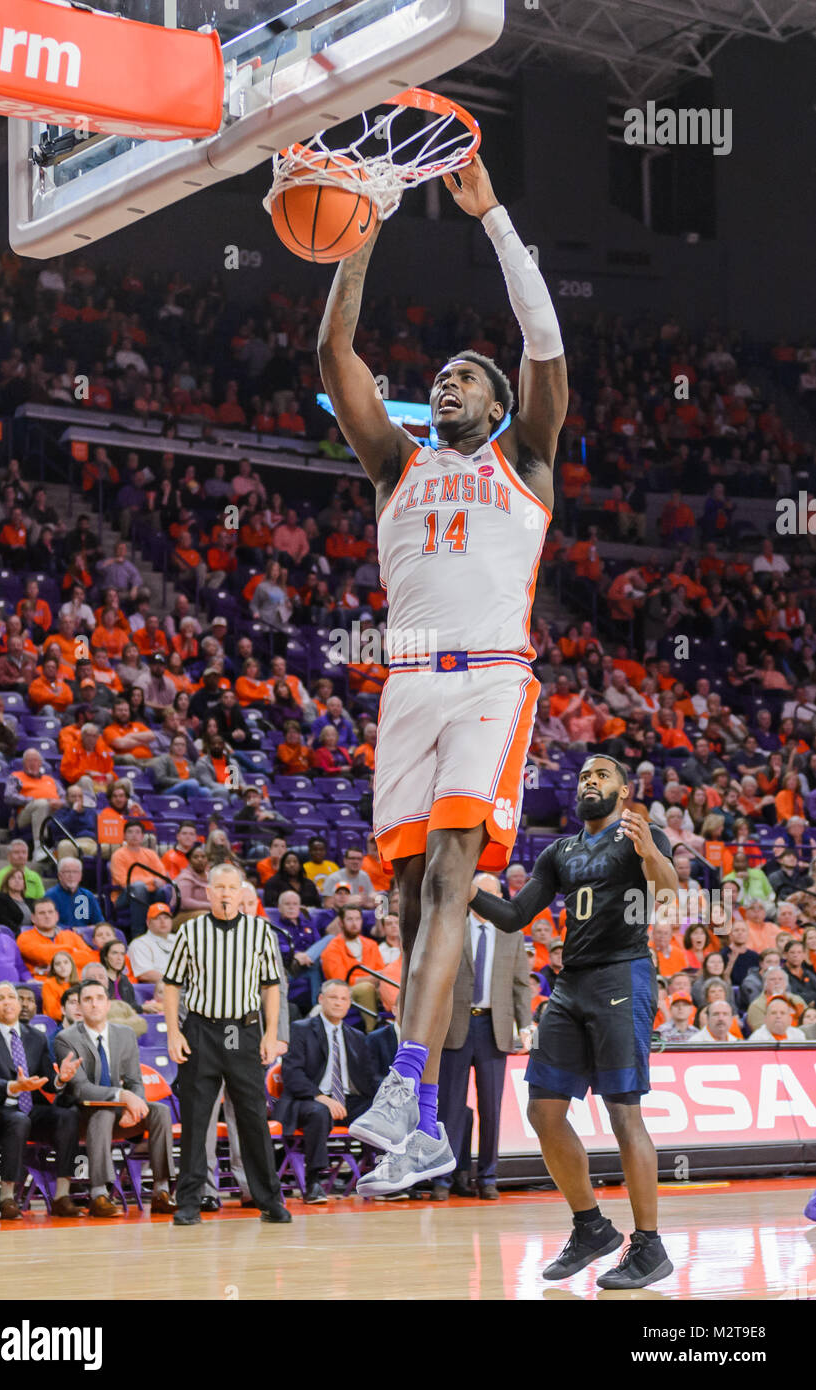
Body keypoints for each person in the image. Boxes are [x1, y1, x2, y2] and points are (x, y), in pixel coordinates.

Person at [319, 153, 567, 1191]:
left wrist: (495, 220)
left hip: (489, 680)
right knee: (418, 900)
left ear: (500, 402)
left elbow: (546, 343)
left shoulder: (529, 459)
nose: (444, 382)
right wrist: (361, 227)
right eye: (438, 377)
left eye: (464, 374)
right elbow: (335, 349)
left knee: (460, 870)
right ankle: (417, 1118)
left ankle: (407, 1077)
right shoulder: (396, 464)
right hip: (407, 686)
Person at [459, 755, 678, 1289]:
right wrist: (469, 891)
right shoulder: (560, 851)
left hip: (622, 977)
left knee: (624, 1115)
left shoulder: (641, 836)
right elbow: (513, 917)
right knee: (543, 1110)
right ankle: (590, 1227)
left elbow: (669, 893)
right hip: (570, 983)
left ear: (624, 791)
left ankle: (649, 1246)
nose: (589, 782)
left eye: (601, 776)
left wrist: (651, 852)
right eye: (583, 776)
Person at [164, 863, 290, 1225]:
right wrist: (174, 1032)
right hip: (201, 1029)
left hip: (245, 1031)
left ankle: (269, 1198)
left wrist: (270, 1034)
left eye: (230, 888)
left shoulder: (260, 932)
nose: (223, 893)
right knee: (195, 1120)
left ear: (241, 893)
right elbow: (172, 984)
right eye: (217, 887)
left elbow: (271, 985)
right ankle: (189, 1200)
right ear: (207, 892)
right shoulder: (190, 931)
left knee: (253, 1118)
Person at [431, 872, 532, 1201]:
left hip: (494, 1029)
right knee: (449, 1109)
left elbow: (520, 984)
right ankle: (442, 1178)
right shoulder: (451, 925)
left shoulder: (511, 932)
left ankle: (487, 1176)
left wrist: (526, 1025)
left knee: (492, 1109)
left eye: (495, 895)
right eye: (482, 894)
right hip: (455, 1026)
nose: (489, 901)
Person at [54, 979, 176, 1218]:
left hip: (122, 1115)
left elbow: (135, 1081)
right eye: (87, 999)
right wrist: (123, 1096)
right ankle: (99, 1194)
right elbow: (80, 1088)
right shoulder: (66, 1038)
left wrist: (135, 1107)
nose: (94, 1004)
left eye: (99, 998)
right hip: (83, 1116)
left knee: (160, 1111)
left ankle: (162, 1191)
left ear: (108, 1003)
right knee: (103, 1113)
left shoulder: (125, 1034)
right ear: (78, 1006)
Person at [0, 980, 83, 1219]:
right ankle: (7, 1197)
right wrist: (13, 1086)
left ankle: (62, 1195)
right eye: (0, 999)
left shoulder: (36, 1038)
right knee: (18, 1120)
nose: (7, 1001)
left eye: (11, 997)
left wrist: (61, 1079)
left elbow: (47, 1080)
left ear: (20, 1005)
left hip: (30, 1109)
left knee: (68, 1116)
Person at [276, 979, 376, 1203]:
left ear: (350, 1004)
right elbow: (292, 1074)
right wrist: (321, 1097)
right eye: (333, 998)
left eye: (344, 999)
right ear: (321, 1000)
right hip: (308, 1098)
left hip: (346, 1100)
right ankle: (314, 1182)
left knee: (380, 1112)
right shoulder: (300, 1029)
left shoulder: (357, 1036)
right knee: (319, 1112)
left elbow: (368, 1078)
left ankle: (380, 1173)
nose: (339, 1003)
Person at [320, 905, 385, 1032]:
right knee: (365, 988)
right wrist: (370, 978)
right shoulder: (332, 949)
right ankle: (371, 1031)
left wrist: (375, 979)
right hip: (344, 991)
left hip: (374, 986)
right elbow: (340, 981)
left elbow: (381, 972)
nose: (354, 923)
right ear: (341, 923)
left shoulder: (371, 944)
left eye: (357, 919)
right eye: (349, 919)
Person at [109, 820, 172, 938]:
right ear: (124, 836)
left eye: (137, 832)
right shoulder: (118, 855)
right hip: (124, 896)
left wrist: (153, 883)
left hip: (150, 893)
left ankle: (162, 933)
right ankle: (138, 935)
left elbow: (162, 876)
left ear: (143, 836)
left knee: (165, 890)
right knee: (138, 888)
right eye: (130, 832)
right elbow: (124, 882)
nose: (134, 835)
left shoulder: (151, 854)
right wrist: (152, 881)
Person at [45, 856, 103, 929]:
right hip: (61, 937)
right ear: (60, 875)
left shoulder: (87, 895)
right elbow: (49, 925)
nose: (71, 876)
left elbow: (99, 923)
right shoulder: (50, 896)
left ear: (80, 876)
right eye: (67, 872)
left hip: (85, 937)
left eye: (75, 872)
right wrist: (73, 931)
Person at [127, 904, 178, 983]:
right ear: (148, 922)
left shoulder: (179, 939)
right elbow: (145, 974)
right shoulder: (139, 944)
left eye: (166, 918)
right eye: (157, 918)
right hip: (159, 988)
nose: (163, 922)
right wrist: (177, 981)